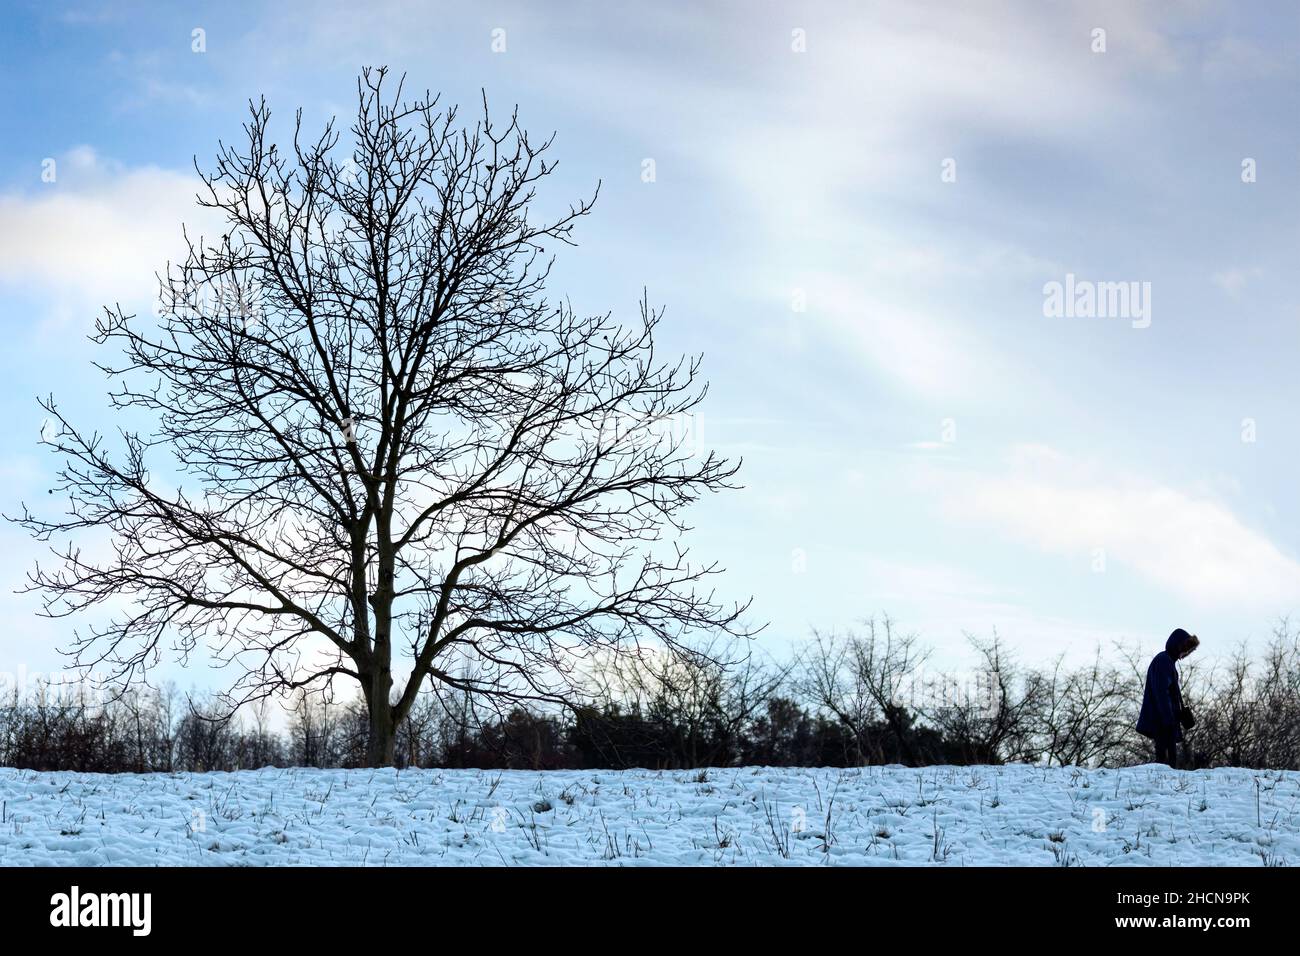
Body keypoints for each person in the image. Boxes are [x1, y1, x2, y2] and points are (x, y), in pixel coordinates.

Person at [1135, 628, 1199, 767]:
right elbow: (1161, 692)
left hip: (1167, 719)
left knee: (1168, 760)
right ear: (1178, 646)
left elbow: (1169, 693)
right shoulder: (1164, 661)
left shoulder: (1167, 661)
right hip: (1163, 720)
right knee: (1165, 761)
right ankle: (1163, 786)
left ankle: (1165, 785)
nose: (1186, 653)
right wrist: (1168, 717)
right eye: (1186, 648)